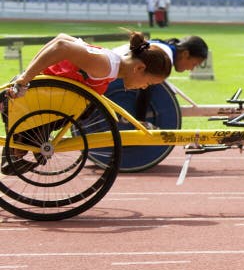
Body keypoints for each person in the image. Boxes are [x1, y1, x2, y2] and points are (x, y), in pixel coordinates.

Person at [2, 31, 172, 174]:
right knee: (87, 106)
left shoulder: (110, 63)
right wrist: (25, 78)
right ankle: (21, 146)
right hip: (34, 99)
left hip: (44, 99)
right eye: (148, 83)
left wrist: (27, 74)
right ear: (139, 68)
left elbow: (62, 38)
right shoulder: (104, 66)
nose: (144, 87)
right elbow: (61, 45)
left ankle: (26, 142)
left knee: (87, 106)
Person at [111, 35, 209, 123]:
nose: (191, 69)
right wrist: (140, 121)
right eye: (194, 64)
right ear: (185, 54)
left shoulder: (163, 47)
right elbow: (145, 89)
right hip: (112, 73)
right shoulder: (165, 57)